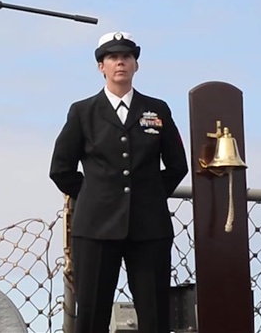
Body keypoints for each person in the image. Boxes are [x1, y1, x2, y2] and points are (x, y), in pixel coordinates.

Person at [49, 32, 188, 333]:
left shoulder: (157, 110)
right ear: (101, 66)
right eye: (112, 57)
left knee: (154, 315)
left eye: (126, 57)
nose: (120, 62)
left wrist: (149, 195)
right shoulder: (83, 112)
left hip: (149, 228)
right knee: (91, 315)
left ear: (136, 64)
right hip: (96, 228)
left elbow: (178, 165)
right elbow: (60, 169)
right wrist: (94, 195)